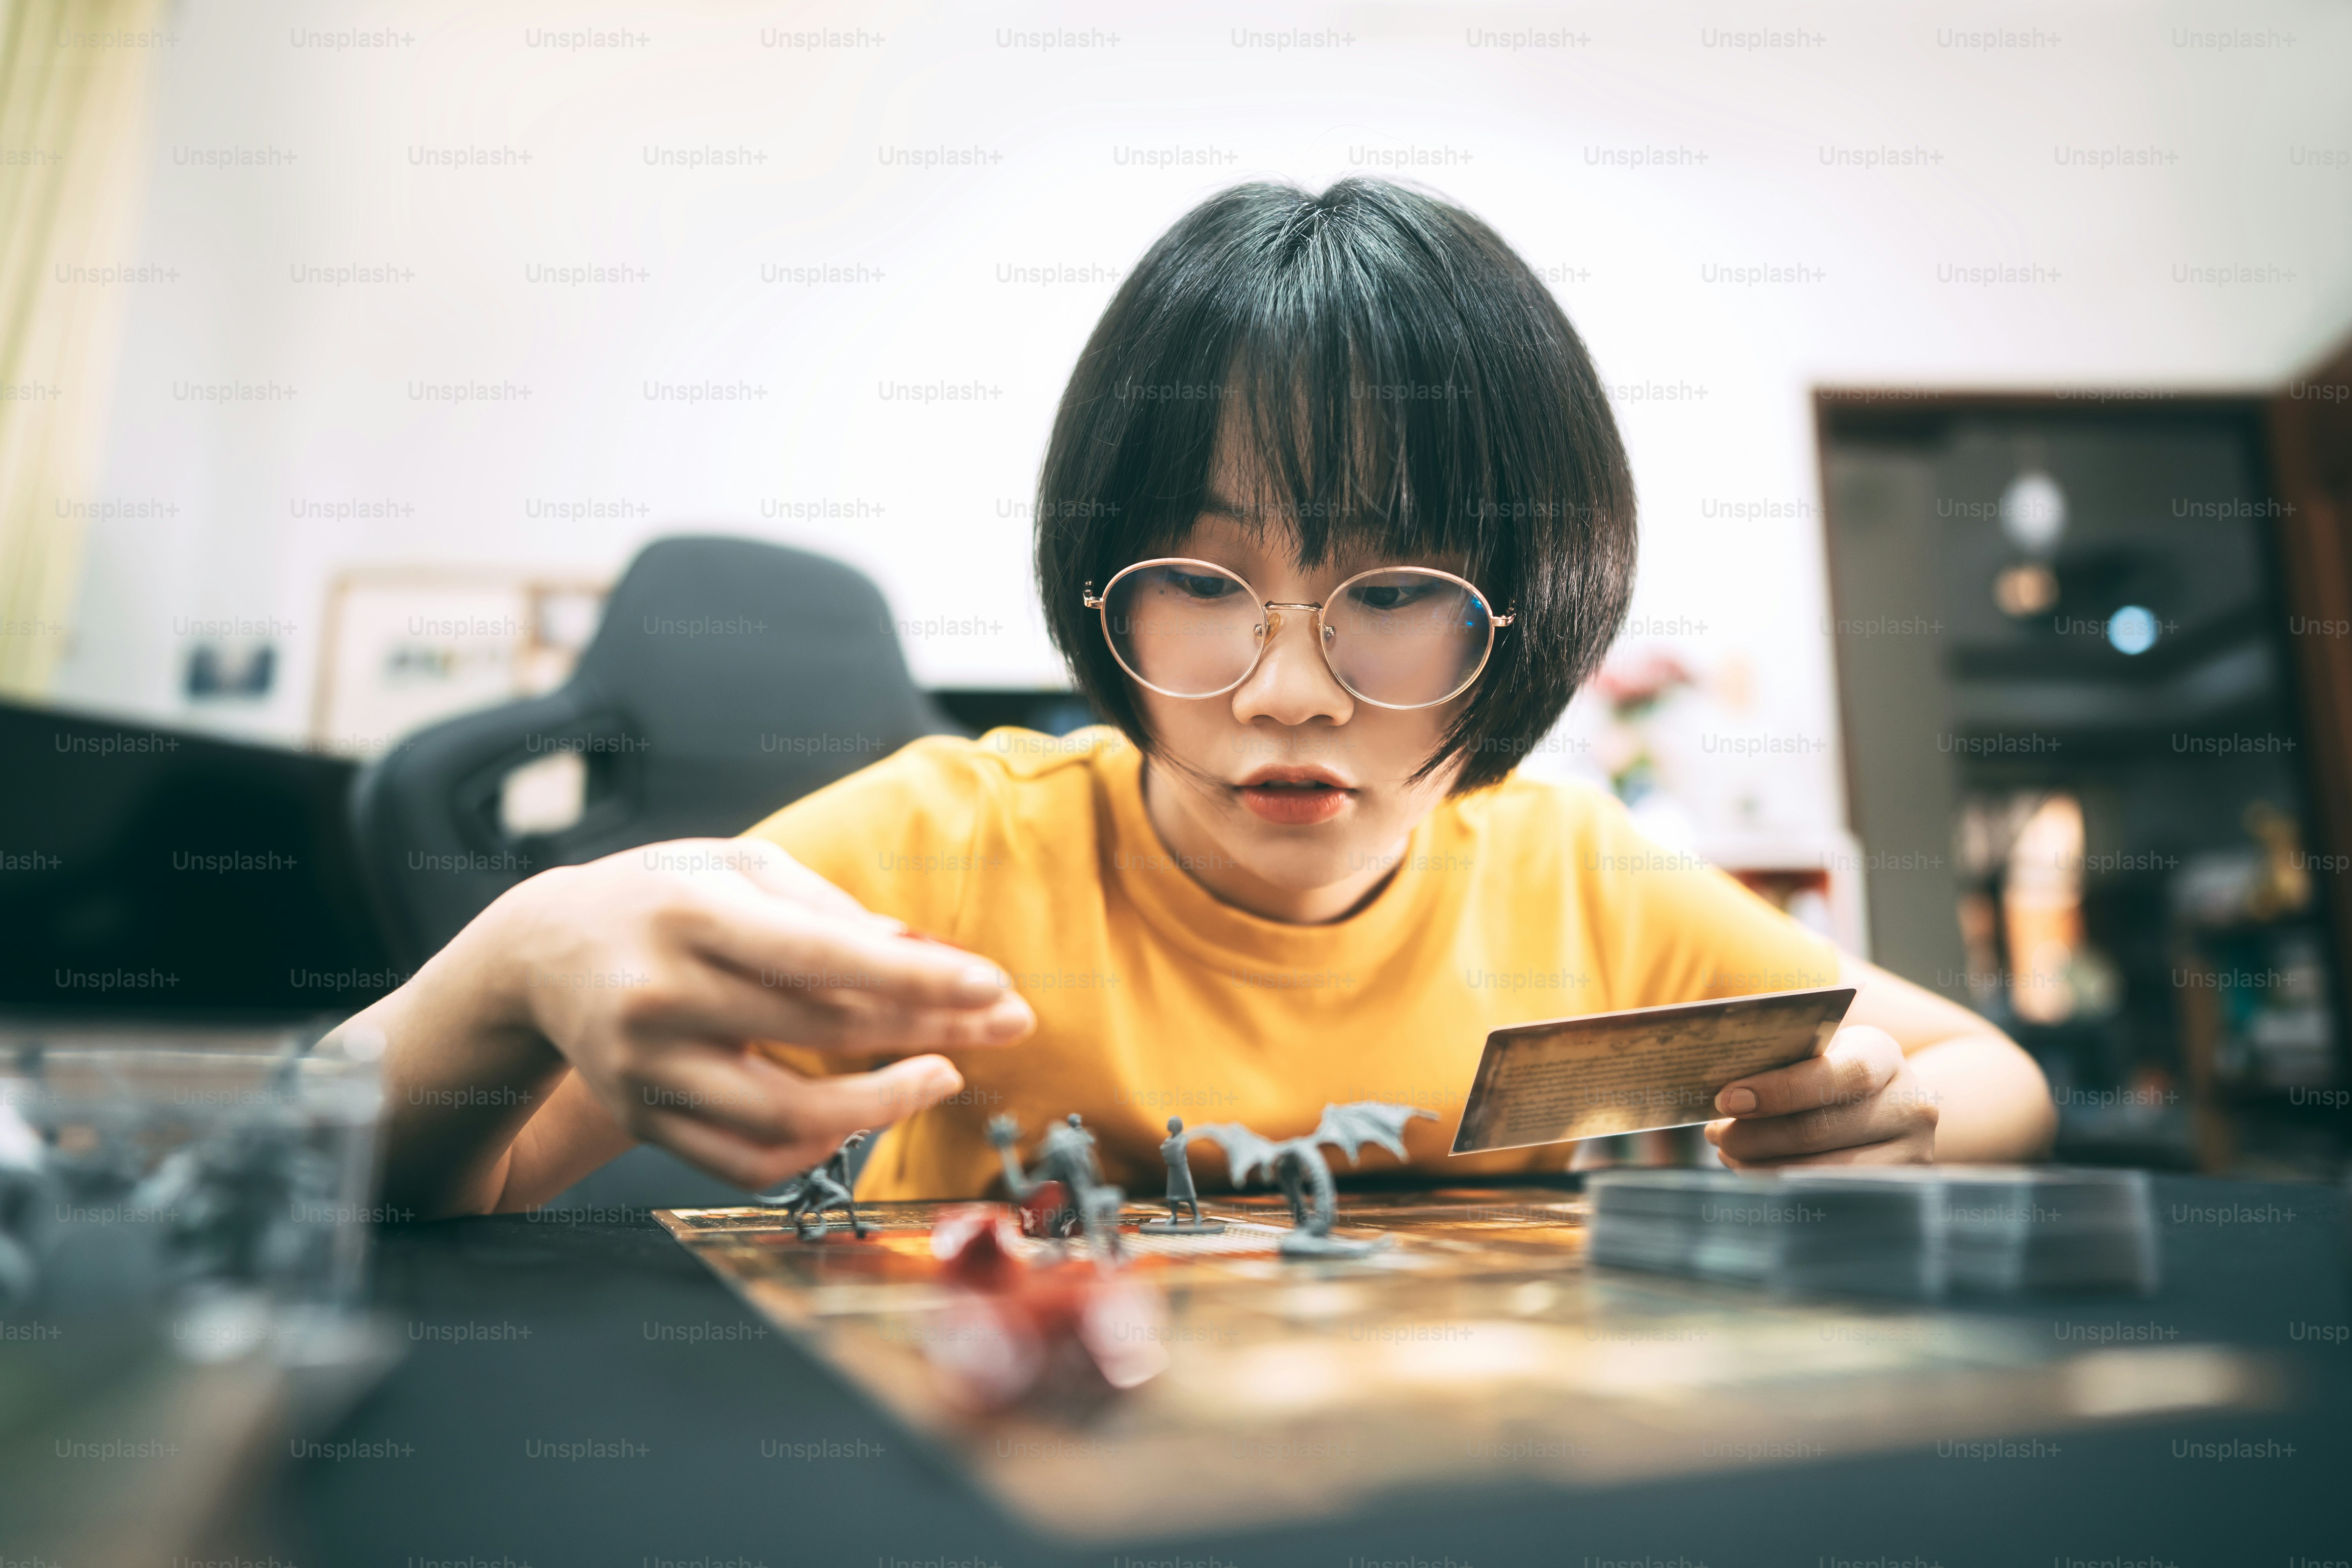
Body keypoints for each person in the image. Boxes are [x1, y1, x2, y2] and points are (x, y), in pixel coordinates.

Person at [352, 178, 2055, 1220]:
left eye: (1395, 594)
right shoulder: (944, 847)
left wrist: (1893, 1125)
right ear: (1103, 585)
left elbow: (1996, 1074)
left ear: (1531, 619)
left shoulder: (1576, 873)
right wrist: (508, 970)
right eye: (1203, 584)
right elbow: (379, 1182)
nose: (1295, 690)